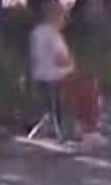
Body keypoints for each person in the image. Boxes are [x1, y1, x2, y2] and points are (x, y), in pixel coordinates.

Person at [29, 0, 76, 139]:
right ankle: (61, 132)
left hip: (40, 76)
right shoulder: (54, 35)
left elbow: (33, 56)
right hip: (56, 77)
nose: (65, 21)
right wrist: (71, 62)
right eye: (63, 17)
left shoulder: (36, 33)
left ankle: (46, 127)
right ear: (54, 16)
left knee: (48, 107)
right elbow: (60, 58)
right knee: (59, 107)